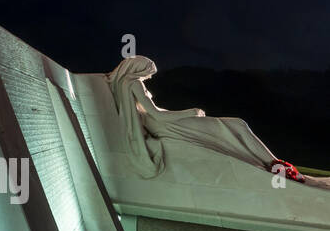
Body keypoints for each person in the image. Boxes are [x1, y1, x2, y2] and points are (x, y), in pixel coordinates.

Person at [106, 56, 319, 186]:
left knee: (237, 125)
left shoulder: (127, 83)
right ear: (137, 69)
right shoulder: (134, 83)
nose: (150, 77)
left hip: (164, 121)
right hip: (164, 123)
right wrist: (190, 112)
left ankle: (273, 164)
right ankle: (275, 165)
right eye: (148, 73)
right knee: (235, 125)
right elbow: (157, 115)